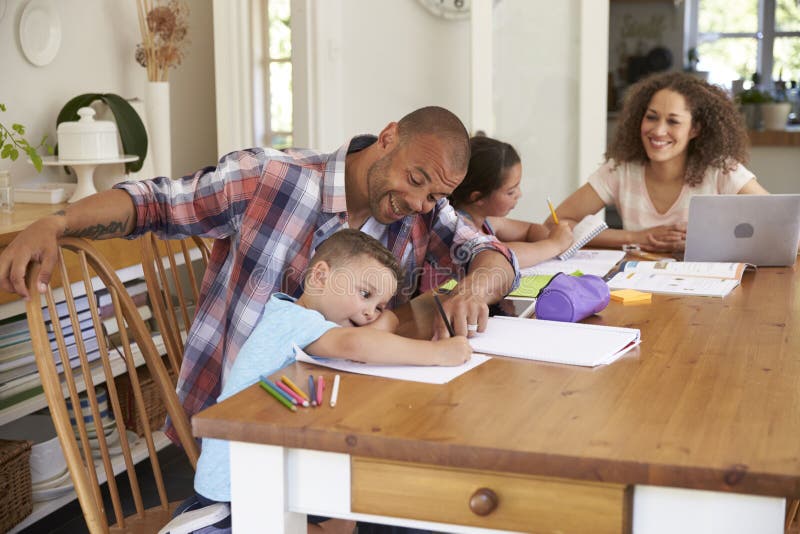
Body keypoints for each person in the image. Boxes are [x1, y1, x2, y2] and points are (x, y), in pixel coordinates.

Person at [0, 105, 518, 439]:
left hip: (353, 420)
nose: (418, 201)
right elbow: (152, 203)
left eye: (435, 194)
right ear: (387, 138)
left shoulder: (425, 211)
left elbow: (494, 255)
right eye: (415, 179)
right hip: (247, 425)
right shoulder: (269, 178)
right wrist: (57, 220)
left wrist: (474, 287)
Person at [173, 229, 471, 533]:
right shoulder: (292, 319)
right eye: (365, 294)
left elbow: (359, 342)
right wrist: (438, 353)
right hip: (238, 486)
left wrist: (386, 319)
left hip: (278, 470)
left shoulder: (317, 326)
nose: (370, 312)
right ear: (319, 277)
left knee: (357, 511)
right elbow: (355, 346)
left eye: (379, 306)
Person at [550, 71, 769, 253]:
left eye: (673, 121)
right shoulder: (621, 170)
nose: (658, 130)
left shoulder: (721, 171)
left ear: (695, 129)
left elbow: (779, 226)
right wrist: (636, 237)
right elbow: (554, 225)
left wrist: (705, 240)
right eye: (652, 117)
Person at [449, 135, 574, 267]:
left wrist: (552, 236)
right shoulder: (460, 229)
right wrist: (554, 244)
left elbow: (530, 230)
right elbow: (502, 256)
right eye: (511, 191)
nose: (519, 194)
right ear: (477, 197)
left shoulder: (485, 220)